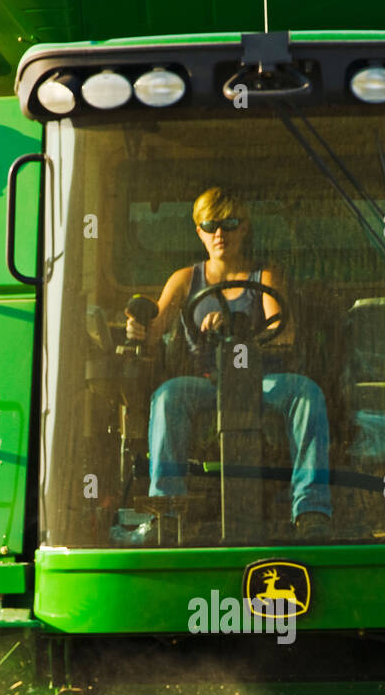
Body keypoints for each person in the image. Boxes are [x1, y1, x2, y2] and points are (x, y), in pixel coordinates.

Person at [125, 187, 331, 535]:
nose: (220, 233)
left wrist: (239, 330)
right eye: (211, 224)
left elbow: (283, 334)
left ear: (244, 228)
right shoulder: (185, 279)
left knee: (306, 394)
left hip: (261, 382)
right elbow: (153, 328)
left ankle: (311, 511)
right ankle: (167, 512)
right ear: (199, 231)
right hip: (207, 383)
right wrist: (138, 327)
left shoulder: (265, 276)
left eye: (230, 223)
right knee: (167, 398)